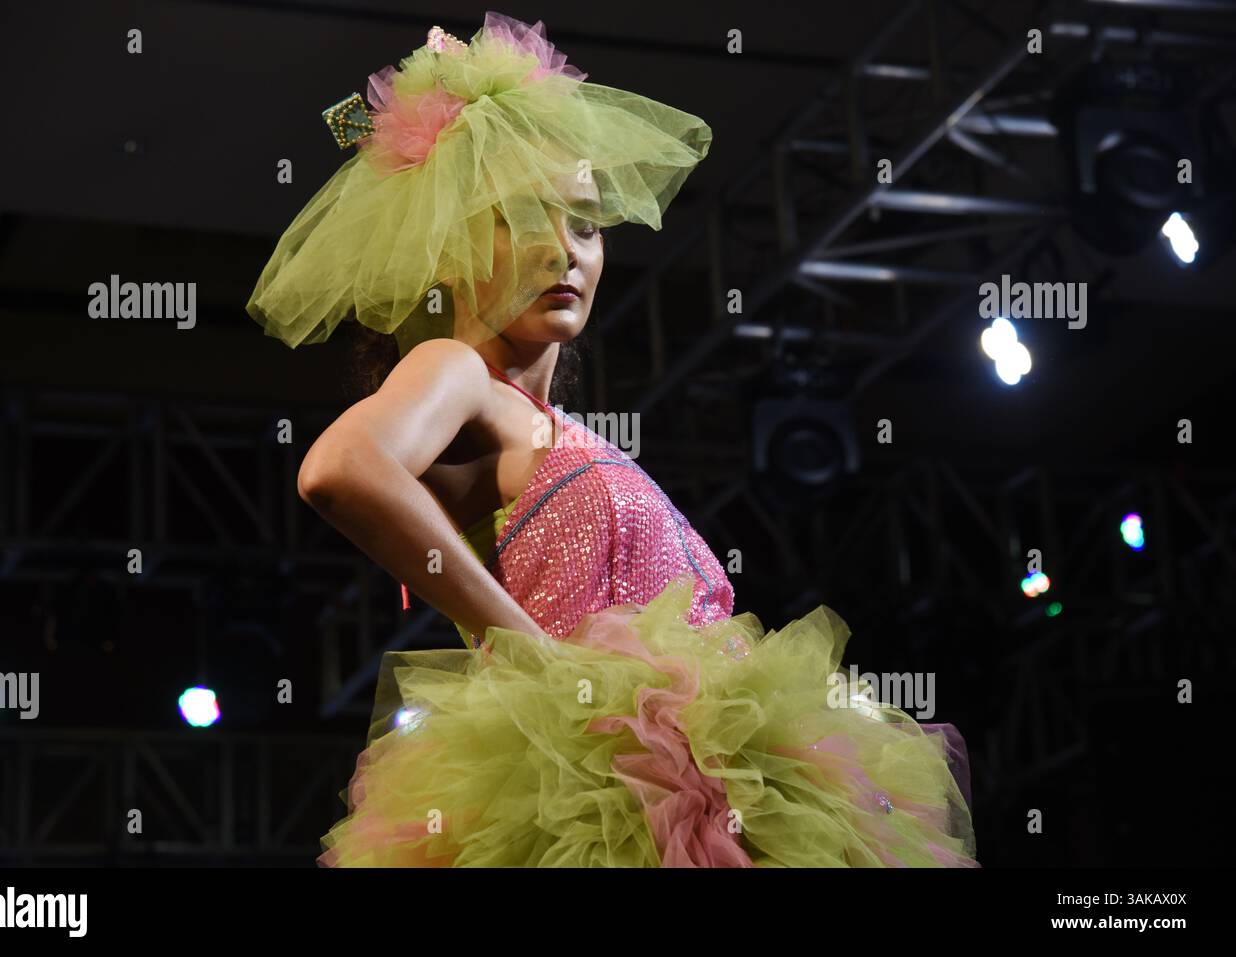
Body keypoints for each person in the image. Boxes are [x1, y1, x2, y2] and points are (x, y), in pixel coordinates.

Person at [248, 12, 978, 867]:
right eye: (520, 215)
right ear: (447, 250)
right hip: (597, 785)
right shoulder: (457, 372)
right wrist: (523, 646)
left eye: (585, 223)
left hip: (695, 785)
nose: (563, 249)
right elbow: (339, 468)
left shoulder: (561, 429)